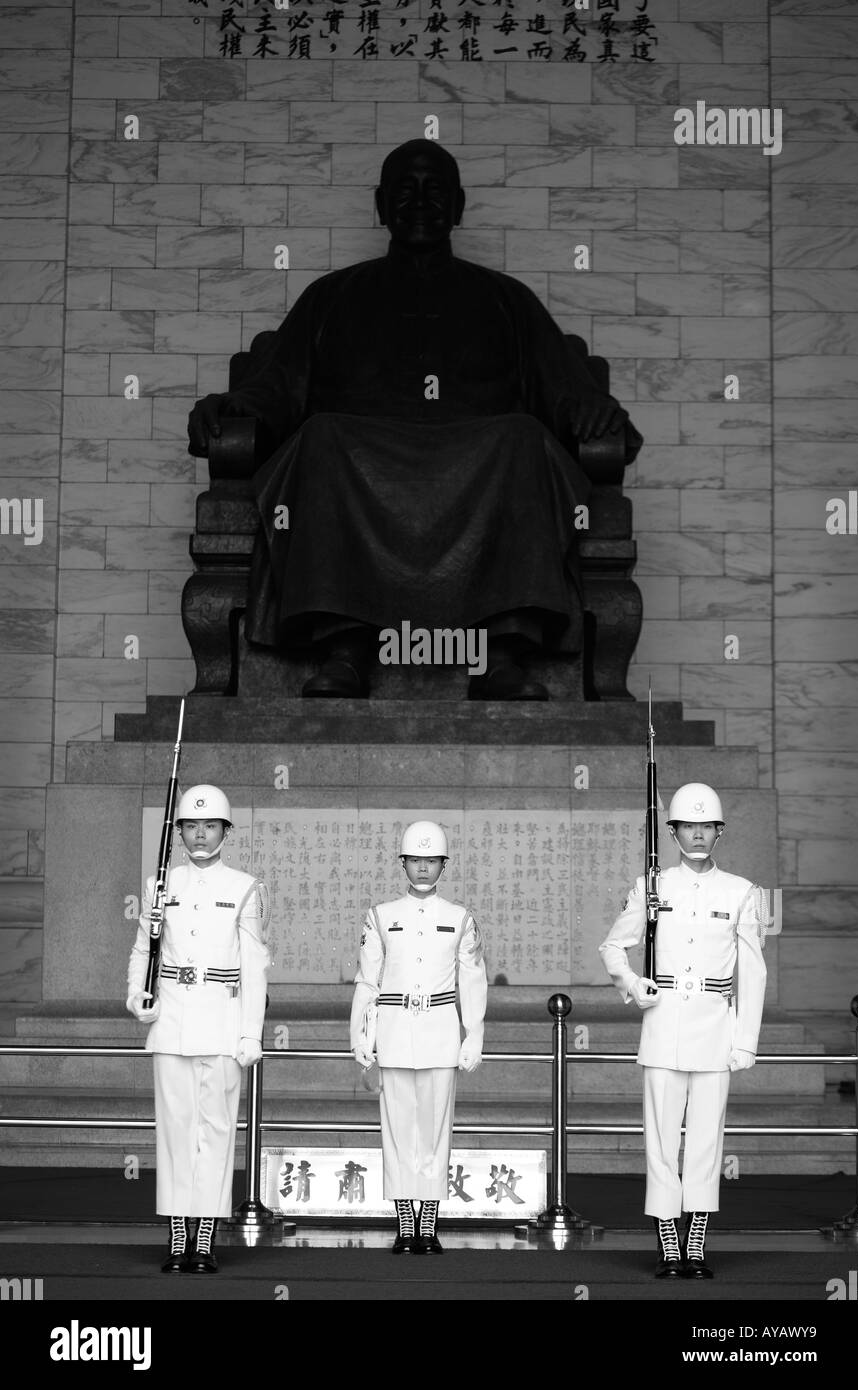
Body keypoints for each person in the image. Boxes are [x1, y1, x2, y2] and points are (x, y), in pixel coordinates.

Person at [187, 139, 642, 701]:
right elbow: (278, 388)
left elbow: (562, 387)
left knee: (524, 437)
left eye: (436, 190)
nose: (421, 201)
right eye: (405, 190)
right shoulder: (332, 296)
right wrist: (233, 407)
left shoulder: (505, 299)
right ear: (380, 205)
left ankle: (501, 654)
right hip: (357, 460)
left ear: (459, 205)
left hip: (483, 462)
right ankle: (345, 649)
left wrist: (591, 409)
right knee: (322, 436)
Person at [598, 783, 766, 1279]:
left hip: (715, 1029)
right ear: (671, 832)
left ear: (720, 832)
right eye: (686, 826)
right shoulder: (652, 886)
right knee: (661, 1140)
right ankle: (668, 1243)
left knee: (708, 1141)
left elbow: (752, 971)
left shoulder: (740, 891)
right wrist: (633, 983)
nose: (697, 834)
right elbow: (613, 947)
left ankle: (696, 1243)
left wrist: (745, 1041)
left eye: (706, 826)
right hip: (664, 1023)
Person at [126, 785, 270, 1273]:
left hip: (223, 1026)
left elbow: (255, 965)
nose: (201, 834)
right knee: (175, 1132)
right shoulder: (159, 885)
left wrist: (251, 1033)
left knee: (215, 1131)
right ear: (179, 832)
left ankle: (204, 1239)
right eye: (191, 826)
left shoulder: (244, 887)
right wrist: (137, 995)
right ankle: (177, 1236)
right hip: (171, 1024)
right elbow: (144, 949)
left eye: (210, 826)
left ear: (226, 832)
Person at [350, 820, 487, 1252]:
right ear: (402, 863)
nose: (423, 868)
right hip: (392, 1031)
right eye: (415, 860)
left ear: (443, 865)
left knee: (434, 1131)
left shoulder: (460, 918)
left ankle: (428, 1223)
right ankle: (404, 1222)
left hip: (440, 1032)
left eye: (431, 860)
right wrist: (360, 1037)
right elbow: (367, 982)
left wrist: (473, 1035)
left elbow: (474, 981)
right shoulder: (381, 915)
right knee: (397, 1130)